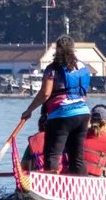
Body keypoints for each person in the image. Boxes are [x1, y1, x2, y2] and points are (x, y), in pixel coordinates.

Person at [18, 37, 94, 174]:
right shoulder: (83, 66)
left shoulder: (52, 69)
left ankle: (50, 187)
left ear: (57, 49)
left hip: (61, 115)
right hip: (83, 114)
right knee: (77, 157)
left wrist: (29, 110)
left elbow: (45, 94)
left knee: (52, 154)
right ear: (72, 49)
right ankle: (80, 187)